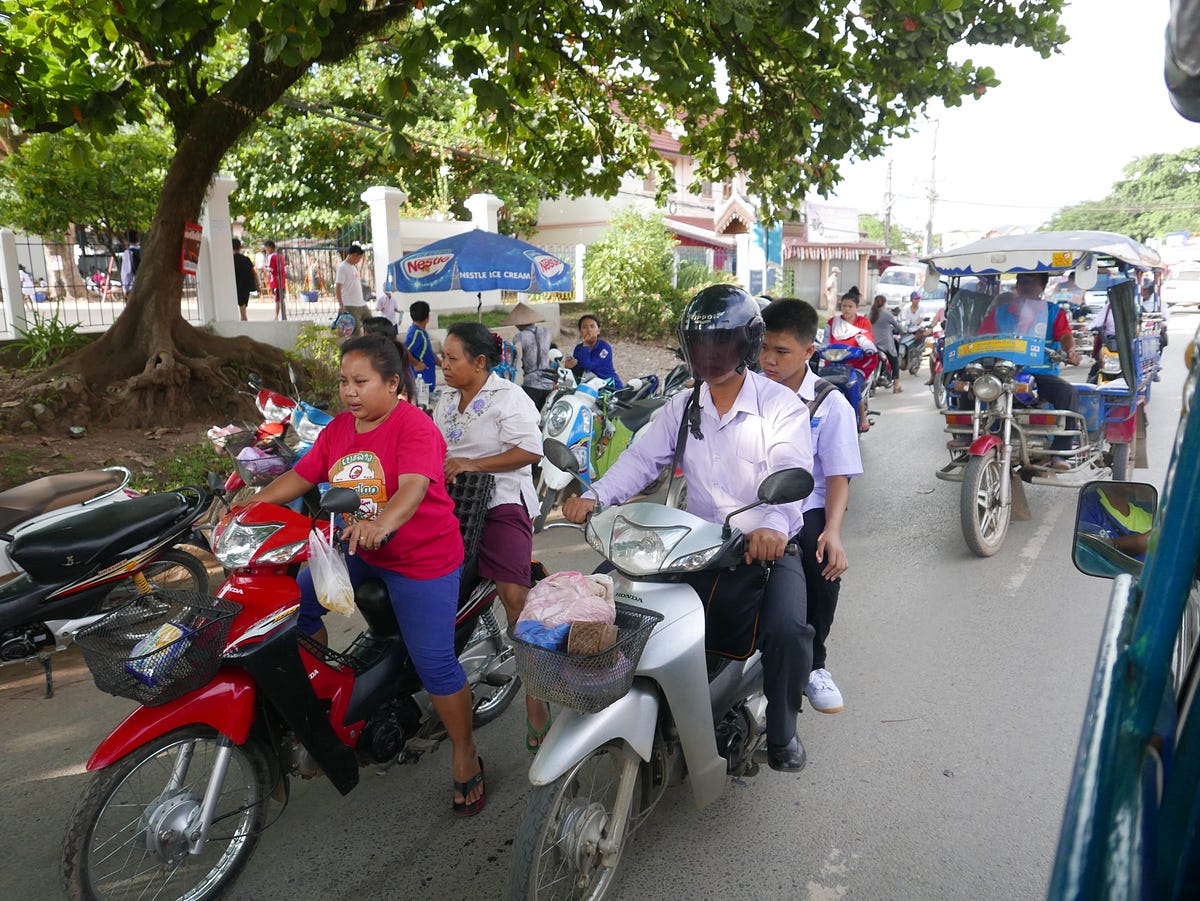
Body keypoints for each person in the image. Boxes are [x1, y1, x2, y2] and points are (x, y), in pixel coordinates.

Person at [562, 285, 815, 772]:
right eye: (700, 343)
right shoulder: (682, 406)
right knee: (607, 591)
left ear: (745, 344)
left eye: (721, 342)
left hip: (764, 546)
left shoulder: (780, 408)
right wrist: (596, 495)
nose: (709, 354)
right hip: (692, 543)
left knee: (787, 630)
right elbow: (639, 460)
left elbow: (790, 469)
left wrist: (770, 527)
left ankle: (783, 734)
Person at [249, 335, 484, 816]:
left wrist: (382, 523)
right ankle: (314, 696)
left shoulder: (413, 427)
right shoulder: (337, 429)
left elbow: (415, 488)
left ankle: (465, 751)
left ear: (393, 383)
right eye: (343, 382)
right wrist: (252, 504)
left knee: (435, 663)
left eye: (361, 382)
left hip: (421, 559)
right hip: (358, 547)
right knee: (294, 603)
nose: (349, 392)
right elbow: (301, 477)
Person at [433, 321, 552, 752]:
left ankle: (536, 703)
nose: (442, 364)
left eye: (452, 358)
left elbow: (530, 451)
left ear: (480, 363)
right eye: (443, 356)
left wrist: (472, 464)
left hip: (502, 501)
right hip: (453, 503)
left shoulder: (510, 397)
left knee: (515, 599)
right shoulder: (445, 397)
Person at [760, 299, 862, 714]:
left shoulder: (828, 403)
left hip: (806, 504)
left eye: (781, 352)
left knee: (821, 557)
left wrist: (833, 530)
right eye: (763, 348)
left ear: (808, 351)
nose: (768, 360)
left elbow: (838, 476)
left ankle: (815, 663)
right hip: (749, 502)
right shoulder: (746, 388)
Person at [979, 271, 1082, 470]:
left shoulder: (1053, 312)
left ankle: (1060, 453)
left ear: (1042, 286)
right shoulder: (1001, 311)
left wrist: (1070, 351)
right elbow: (984, 335)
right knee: (970, 382)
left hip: (1040, 373)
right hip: (1004, 372)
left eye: (1031, 282)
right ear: (1017, 285)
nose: (1026, 286)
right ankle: (967, 435)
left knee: (1068, 393)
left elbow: (1065, 335)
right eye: (1022, 282)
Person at [821, 294, 878, 432]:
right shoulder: (832, 322)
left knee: (853, 384)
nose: (846, 309)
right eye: (844, 306)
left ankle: (862, 416)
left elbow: (865, 338)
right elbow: (825, 341)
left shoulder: (863, 322)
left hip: (857, 364)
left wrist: (868, 347)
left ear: (856, 307)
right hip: (833, 365)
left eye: (850, 306)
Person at [1076, 483, 1155, 562]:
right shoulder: (1086, 505)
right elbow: (1086, 552)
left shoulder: (1151, 517)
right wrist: (1137, 543)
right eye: (1123, 472)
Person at [504, 302, 554, 410]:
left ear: (520, 323)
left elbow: (516, 360)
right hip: (548, 382)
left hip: (531, 383)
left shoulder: (519, 337)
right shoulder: (546, 332)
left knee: (531, 415)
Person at [564, 314, 622, 388]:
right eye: (584, 327)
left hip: (608, 386)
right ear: (580, 332)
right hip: (588, 387)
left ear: (598, 331)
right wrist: (569, 366)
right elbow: (579, 369)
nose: (589, 330)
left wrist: (586, 344)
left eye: (592, 326)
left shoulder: (604, 348)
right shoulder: (578, 348)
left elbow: (588, 366)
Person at [869, 294, 903, 393]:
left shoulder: (869, 315)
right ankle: (896, 386)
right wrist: (903, 331)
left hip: (871, 344)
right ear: (884, 304)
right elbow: (898, 327)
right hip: (885, 345)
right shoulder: (887, 315)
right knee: (894, 362)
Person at [334, 244, 370, 336]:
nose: (359, 260)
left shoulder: (353, 267)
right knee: (355, 333)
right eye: (359, 258)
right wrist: (341, 304)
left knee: (371, 324)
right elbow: (338, 287)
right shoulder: (342, 267)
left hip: (361, 304)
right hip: (350, 305)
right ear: (354, 255)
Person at [405, 300, 439, 395]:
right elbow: (404, 350)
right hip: (421, 385)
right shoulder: (416, 334)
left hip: (428, 384)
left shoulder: (421, 332)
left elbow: (429, 353)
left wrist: (442, 364)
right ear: (427, 317)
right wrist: (416, 364)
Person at [231, 238, 259, 321]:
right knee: (243, 305)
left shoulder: (229, 260)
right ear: (240, 247)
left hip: (234, 285)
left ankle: (243, 319)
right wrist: (258, 285)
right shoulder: (246, 259)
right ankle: (244, 318)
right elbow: (254, 272)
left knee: (240, 304)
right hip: (245, 286)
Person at [264, 240, 287, 321]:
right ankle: (284, 316)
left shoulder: (271, 256)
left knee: (277, 300)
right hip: (282, 280)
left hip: (275, 281)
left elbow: (271, 269)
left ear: (269, 248)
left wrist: (264, 269)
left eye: (266, 249)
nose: (266, 251)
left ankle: (276, 316)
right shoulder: (280, 256)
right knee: (281, 299)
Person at [120, 230, 141, 297]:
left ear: (126, 240)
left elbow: (126, 273)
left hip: (134, 285)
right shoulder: (144, 250)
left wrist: (125, 289)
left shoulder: (128, 253)